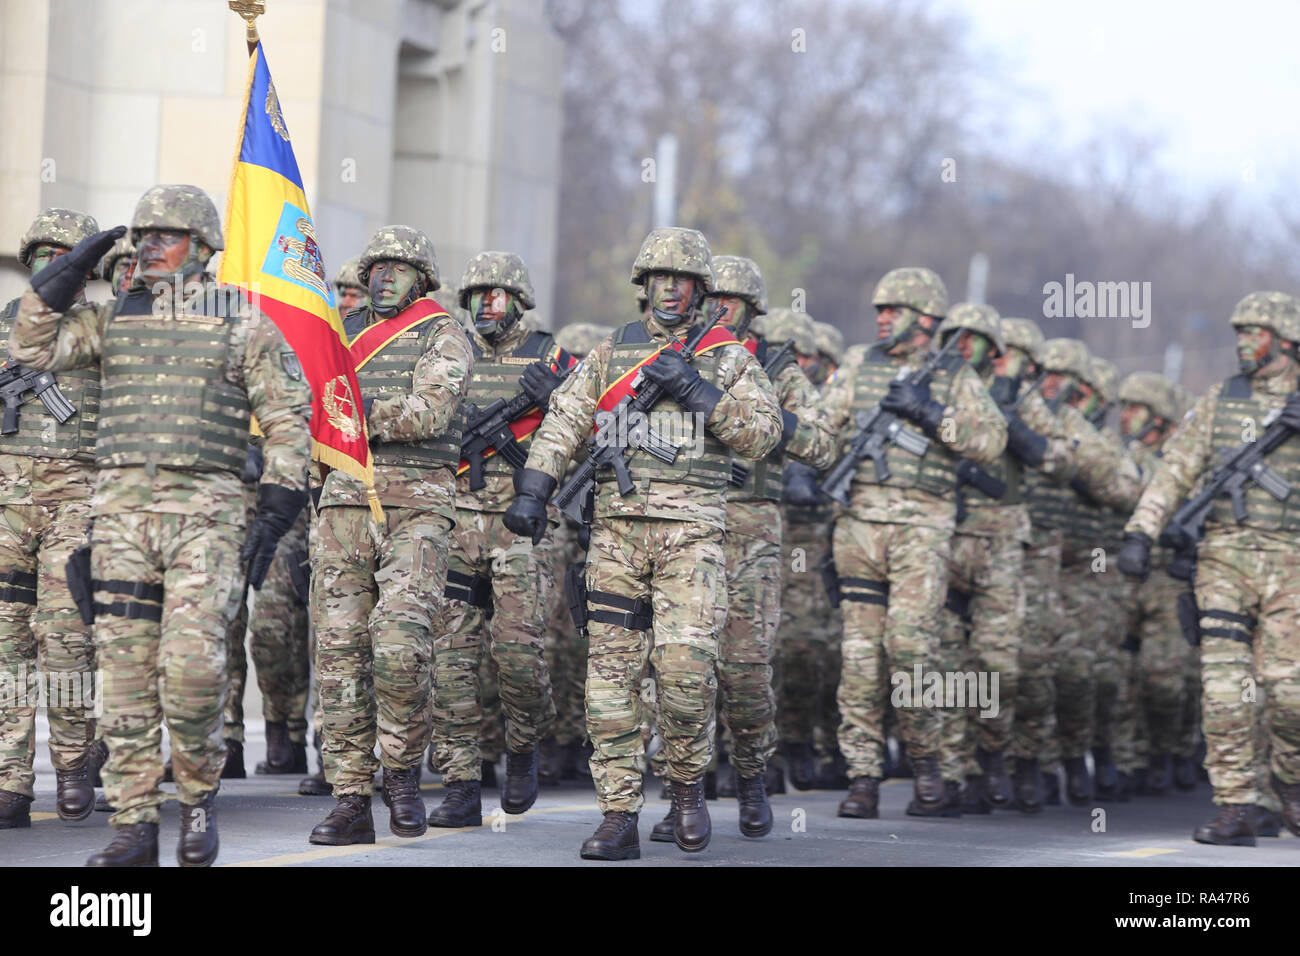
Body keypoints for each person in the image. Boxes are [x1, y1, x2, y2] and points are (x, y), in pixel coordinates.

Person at [9, 184, 313, 866]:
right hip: (120, 522)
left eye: (164, 235)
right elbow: (30, 348)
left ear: (202, 248)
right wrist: (65, 273)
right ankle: (135, 822)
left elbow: (292, 424)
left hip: (205, 523)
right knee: (122, 680)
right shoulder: (113, 319)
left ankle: (199, 802)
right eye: (140, 235)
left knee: (193, 676)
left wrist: (277, 507)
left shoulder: (244, 324)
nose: (146, 245)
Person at [504, 227, 783, 859]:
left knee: (685, 673)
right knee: (608, 683)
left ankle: (685, 787)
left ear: (700, 290)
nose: (670, 290)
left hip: (693, 541)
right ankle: (618, 814)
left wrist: (700, 392)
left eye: (682, 281)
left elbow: (764, 434)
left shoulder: (730, 356)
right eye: (659, 279)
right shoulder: (609, 355)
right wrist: (533, 491)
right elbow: (565, 422)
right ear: (644, 286)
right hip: (618, 539)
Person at [818, 268, 1007, 819]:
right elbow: (822, 425)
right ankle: (862, 778)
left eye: (891, 309)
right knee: (858, 661)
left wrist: (932, 415)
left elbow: (991, 441)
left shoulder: (953, 376)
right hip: (857, 526)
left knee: (911, 649)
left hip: (922, 529)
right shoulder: (858, 363)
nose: (880, 318)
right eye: (878, 309)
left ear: (925, 318)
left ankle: (928, 766)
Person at [308, 225, 472, 846]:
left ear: (422, 280)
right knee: (341, 655)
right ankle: (351, 796)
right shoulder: (339, 336)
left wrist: (350, 417)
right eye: (376, 268)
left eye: (398, 269)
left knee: (400, 644)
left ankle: (400, 772)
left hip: (417, 510)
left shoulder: (442, 332)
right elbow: (306, 418)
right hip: (342, 508)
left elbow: (430, 409)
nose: (383, 277)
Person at [1120, 291, 1300, 844]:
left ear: (1286, 340)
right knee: (1225, 688)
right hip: (1223, 557)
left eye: (1255, 332)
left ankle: (1288, 786)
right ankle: (1236, 804)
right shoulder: (1221, 400)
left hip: (1292, 563)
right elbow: (1176, 468)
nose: (1243, 341)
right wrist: (1141, 530)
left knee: (1288, 693)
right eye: (1239, 331)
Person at [426, 251, 567, 828]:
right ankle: (461, 780)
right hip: (456, 523)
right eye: (478, 294)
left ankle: (524, 744)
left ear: (519, 300)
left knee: (518, 655)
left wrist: (555, 394)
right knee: (451, 659)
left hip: (523, 527)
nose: (486, 303)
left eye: (497, 294)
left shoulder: (552, 356)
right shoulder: (449, 352)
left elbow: (594, 436)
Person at [0, 208, 103, 829]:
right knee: (5, 644)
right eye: (42, 255)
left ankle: (71, 766)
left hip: (79, 502)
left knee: (66, 640)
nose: (51, 267)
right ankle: (9, 779)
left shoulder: (102, 330)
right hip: (7, 504)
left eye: (63, 256)